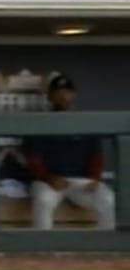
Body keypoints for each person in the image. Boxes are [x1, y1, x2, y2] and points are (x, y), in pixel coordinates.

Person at [22, 74, 114, 230]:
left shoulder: (86, 122)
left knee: (108, 198)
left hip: (80, 182)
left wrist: (95, 178)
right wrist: (49, 178)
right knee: (44, 200)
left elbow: (96, 156)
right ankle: (43, 248)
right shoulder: (38, 122)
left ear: (74, 95)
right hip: (48, 182)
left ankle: (102, 247)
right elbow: (33, 160)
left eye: (67, 92)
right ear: (50, 97)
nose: (63, 96)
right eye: (58, 93)